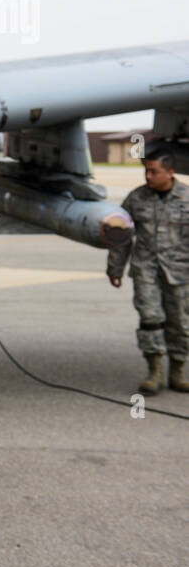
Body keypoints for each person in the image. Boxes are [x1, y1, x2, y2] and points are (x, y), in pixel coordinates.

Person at [107, 147, 189, 394]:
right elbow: (121, 235)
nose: (148, 176)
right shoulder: (136, 198)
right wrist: (115, 268)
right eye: (146, 171)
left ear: (170, 172)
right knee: (150, 319)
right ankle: (154, 372)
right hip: (146, 270)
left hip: (180, 272)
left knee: (180, 323)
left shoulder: (186, 198)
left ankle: (177, 371)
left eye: (154, 172)